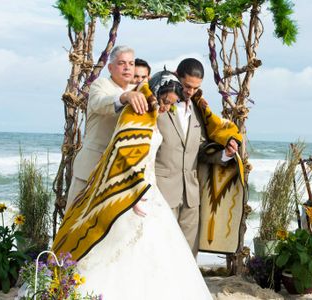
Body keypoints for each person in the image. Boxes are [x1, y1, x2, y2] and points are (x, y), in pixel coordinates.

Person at [57, 71, 212, 299]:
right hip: (132, 190)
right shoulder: (137, 114)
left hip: (152, 190)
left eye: (172, 104)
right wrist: (135, 192)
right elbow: (124, 155)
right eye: (165, 101)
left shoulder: (153, 115)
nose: (167, 108)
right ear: (156, 92)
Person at [155, 58, 239, 256]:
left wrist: (224, 155)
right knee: (161, 251)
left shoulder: (199, 110)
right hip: (162, 192)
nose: (190, 92)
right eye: (187, 86)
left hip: (191, 195)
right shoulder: (158, 106)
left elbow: (199, 149)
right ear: (177, 75)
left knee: (188, 255)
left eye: (195, 88)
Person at [66, 46, 148, 209]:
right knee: (75, 221)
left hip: (119, 172)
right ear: (110, 67)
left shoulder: (138, 91)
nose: (127, 67)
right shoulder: (100, 85)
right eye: (122, 63)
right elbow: (99, 104)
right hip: (90, 168)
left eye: (131, 64)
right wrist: (124, 97)